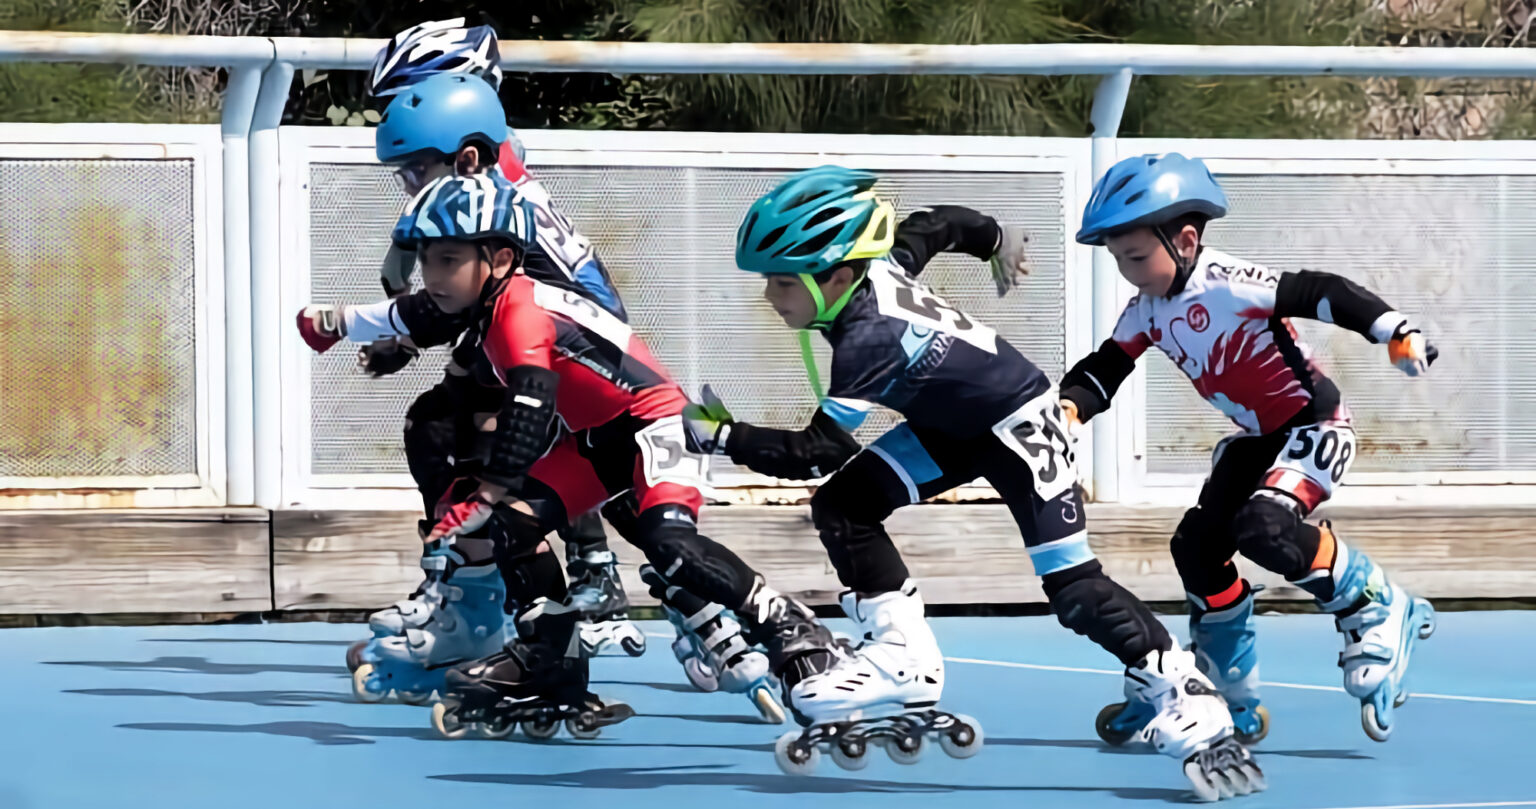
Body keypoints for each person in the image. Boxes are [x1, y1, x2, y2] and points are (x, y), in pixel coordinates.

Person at [682, 165, 1263, 798]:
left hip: (1019, 425)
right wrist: (998, 240)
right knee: (846, 506)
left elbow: (816, 450)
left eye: (783, 282)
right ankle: (902, 655)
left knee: (1072, 587)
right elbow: (935, 227)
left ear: (839, 277)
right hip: (953, 424)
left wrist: (720, 436)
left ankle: (1180, 685)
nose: (771, 296)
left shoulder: (868, 338)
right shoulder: (880, 266)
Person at [378, 172, 836, 738]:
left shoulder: (520, 311)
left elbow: (531, 405)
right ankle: (552, 660)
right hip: (599, 441)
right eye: (426, 261)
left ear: (497, 260)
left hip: (657, 425)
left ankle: (786, 623)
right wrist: (332, 325)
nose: (434, 276)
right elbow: (405, 315)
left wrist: (491, 489)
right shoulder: (480, 302)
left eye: (448, 260)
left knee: (670, 546)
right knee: (486, 534)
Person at [1065, 152, 1437, 745]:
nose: (1130, 273)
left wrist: (1394, 329)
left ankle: (1375, 602)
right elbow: (1107, 367)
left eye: (1137, 257)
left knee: (1263, 527)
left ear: (1185, 240)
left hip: (1312, 425)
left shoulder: (1228, 282)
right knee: (1197, 547)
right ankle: (1225, 684)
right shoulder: (1147, 309)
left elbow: (1321, 291)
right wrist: (1068, 408)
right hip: (1256, 442)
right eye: (1118, 260)